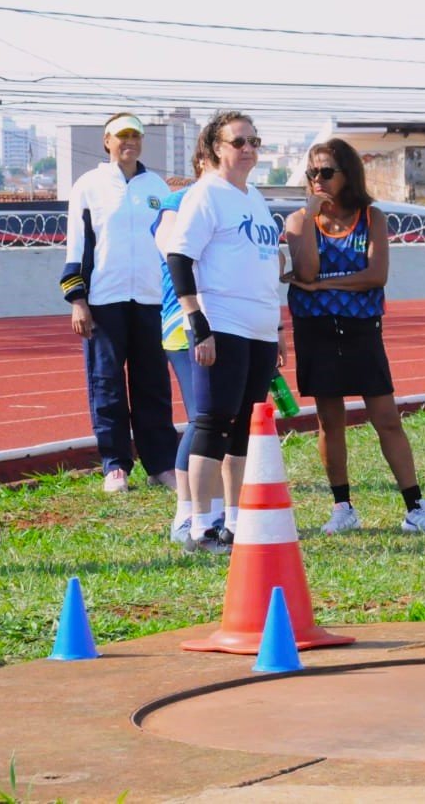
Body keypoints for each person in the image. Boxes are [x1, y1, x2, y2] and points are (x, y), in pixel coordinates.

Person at [283, 139, 425, 535]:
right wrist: (310, 217)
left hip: (361, 330)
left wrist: (325, 286)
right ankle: (342, 506)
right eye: (313, 173)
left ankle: (415, 507)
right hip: (316, 330)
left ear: (348, 174)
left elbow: (376, 276)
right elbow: (305, 272)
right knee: (330, 422)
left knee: (387, 418)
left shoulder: (371, 217)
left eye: (327, 172)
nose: (319, 180)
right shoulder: (297, 221)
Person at [166, 111, 283, 554]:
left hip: (258, 328)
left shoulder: (253, 197)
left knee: (244, 430)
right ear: (216, 148)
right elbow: (179, 259)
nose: (248, 149)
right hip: (223, 325)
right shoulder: (206, 195)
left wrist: (276, 328)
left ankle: (235, 521)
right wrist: (198, 323)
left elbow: (264, 267)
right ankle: (201, 525)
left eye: (254, 140)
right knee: (214, 423)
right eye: (239, 142)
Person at [60, 112, 178, 493]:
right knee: (106, 384)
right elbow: (76, 244)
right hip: (105, 300)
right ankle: (115, 465)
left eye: (136, 135)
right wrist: (78, 299)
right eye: (121, 135)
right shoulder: (89, 185)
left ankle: (161, 464)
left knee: (153, 384)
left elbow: (168, 243)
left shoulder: (156, 186)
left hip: (150, 299)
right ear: (107, 141)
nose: (130, 141)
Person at [154, 150, 225, 542]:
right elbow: (171, 248)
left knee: (219, 420)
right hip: (186, 323)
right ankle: (186, 514)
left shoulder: (236, 200)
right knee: (203, 418)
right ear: (203, 160)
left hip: (229, 323)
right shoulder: (178, 202)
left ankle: (217, 511)